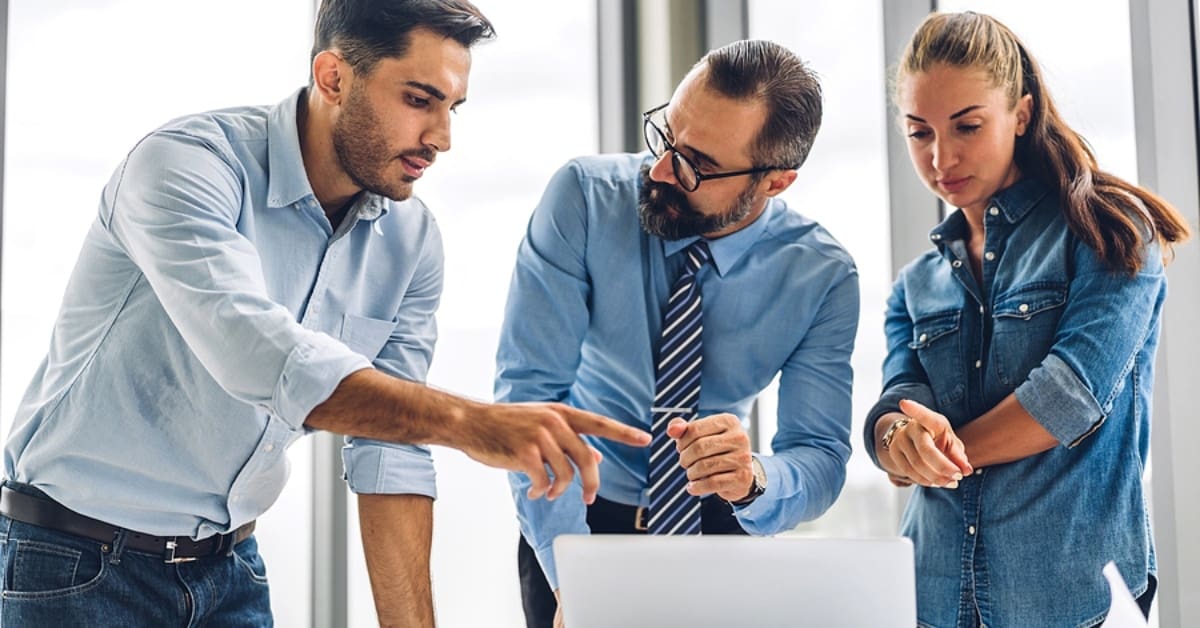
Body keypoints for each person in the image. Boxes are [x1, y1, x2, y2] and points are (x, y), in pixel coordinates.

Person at [0, 1, 651, 626]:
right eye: (419, 100)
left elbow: (390, 453)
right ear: (334, 76)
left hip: (229, 572)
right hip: (72, 562)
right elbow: (256, 354)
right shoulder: (185, 166)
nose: (443, 138)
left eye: (453, 107)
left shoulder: (411, 241)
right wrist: (469, 422)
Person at [496, 39, 859, 628]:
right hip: (576, 514)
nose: (660, 169)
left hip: (718, 525)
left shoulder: (822, 276)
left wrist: (755, 479)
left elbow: (819, 455)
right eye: (665, 134)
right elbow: (531, 401)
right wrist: (573, 577)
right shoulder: (584, 199)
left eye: (698, 165)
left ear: (776, 182)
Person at [864, 11, 1189, 628]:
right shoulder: (915, 284)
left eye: (967, 126)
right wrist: (893, 443)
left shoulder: (1110, 232)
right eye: (918, 132)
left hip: (1073, 602)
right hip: (930, 599)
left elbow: (1070, 396)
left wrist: (943, 454)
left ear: (1022, 113)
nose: (941, 157)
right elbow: (896, 402)